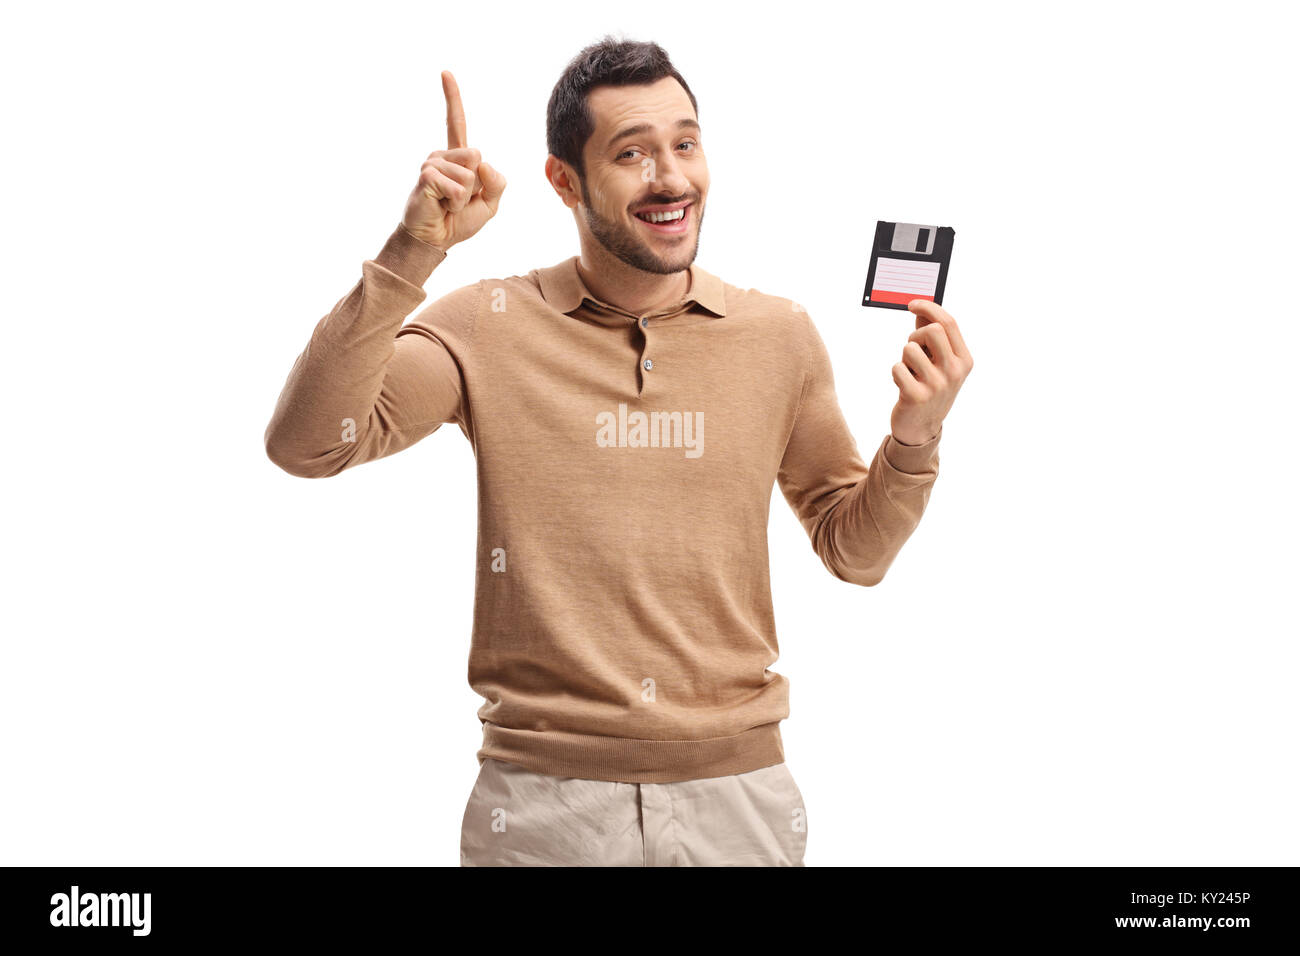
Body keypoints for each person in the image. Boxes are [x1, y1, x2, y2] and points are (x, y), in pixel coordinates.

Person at [264, 36, 974, 866]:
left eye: (686, 143)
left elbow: (856, 552)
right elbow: (307, 444)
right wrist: (414, 250)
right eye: (631, 153)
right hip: (542, 810)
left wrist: (915, 436)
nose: (671, 177)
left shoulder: (779, 336)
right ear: (564, 181)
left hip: (739, 800)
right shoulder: (483, 325)